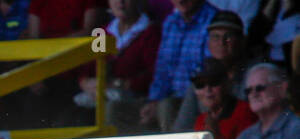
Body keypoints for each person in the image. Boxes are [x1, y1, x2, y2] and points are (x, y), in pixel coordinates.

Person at [75, 0, 163, 130]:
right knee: (76, 113)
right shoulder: (102, 33)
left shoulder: (151, 32)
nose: (120, 2)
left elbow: (154, 73)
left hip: (135, 97)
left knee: (112, 110)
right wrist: (85, 82)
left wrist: (120, 84)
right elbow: (86, 69)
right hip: (96, 94)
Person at [142, 0, 218, 131]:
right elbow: (162, 70)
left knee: (166, 106)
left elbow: (209, 70)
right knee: (116, 110)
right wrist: (153, 100)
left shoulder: (213, 20)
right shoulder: (170, 22)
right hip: (170, 97)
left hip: (199, 96)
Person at [173, 9, 248, 127]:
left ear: (241, 40)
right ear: (208, 43)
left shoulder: (254, 74)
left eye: (228, 37)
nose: (221, 42)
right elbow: (182, 127)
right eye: (215, 37)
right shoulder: (200, 77)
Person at [190, 58, 256, 139]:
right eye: (200, 85)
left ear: (227, 84)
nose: (207, 90)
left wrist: (216, 137)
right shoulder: (200, 120)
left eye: (214, 82)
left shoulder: (245, 112)